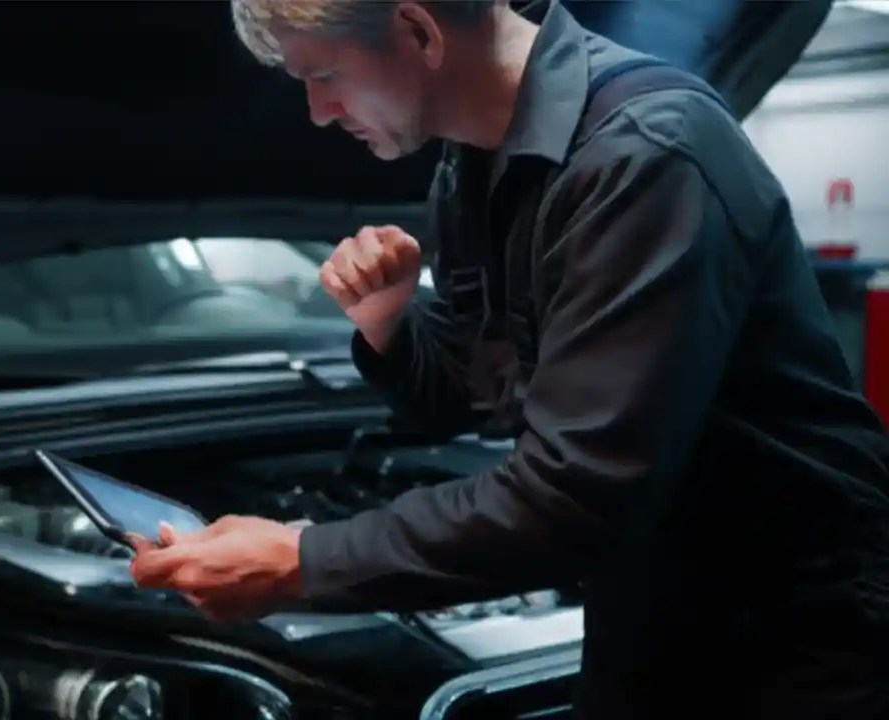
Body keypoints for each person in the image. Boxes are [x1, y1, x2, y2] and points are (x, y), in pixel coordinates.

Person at [129, 0, 889, 717]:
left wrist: (300, 560)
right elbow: (473, 396)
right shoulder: (472, 170)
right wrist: (391, 328)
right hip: (652, 598)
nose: (317, 113)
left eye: (321, 76)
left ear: (418, 31)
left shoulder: (645, 154)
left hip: (798, 626)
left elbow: (575, 494)